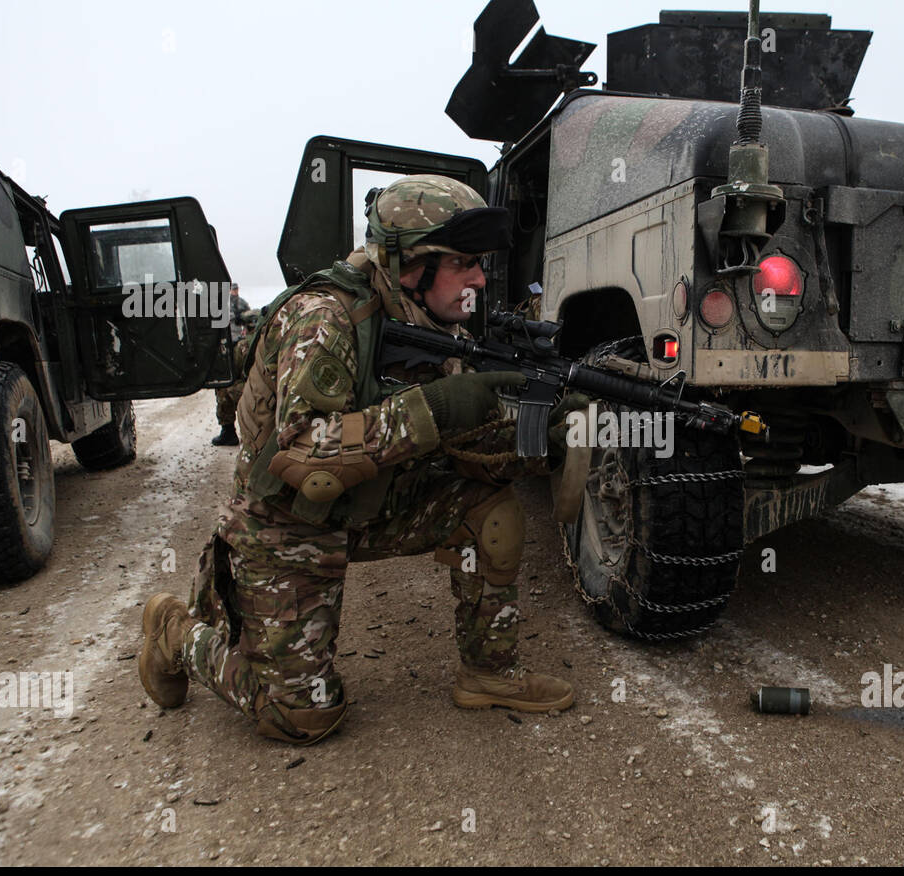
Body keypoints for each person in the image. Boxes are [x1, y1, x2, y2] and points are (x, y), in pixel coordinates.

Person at [140, 175, 578, 745]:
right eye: (464, 262)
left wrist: (539, 436)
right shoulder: (323, 319)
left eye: (481, 264)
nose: (479, 278)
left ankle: (489, 672)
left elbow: (467, 460)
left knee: (490, 513)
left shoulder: (434, 325)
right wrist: (437, 407)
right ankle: (177, 632)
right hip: (288, 523)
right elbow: (305, 456)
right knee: (302, 717)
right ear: (409, 266)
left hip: (375, 503)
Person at [211, 291, 258, 447]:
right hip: (270, 391)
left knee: (224, 386)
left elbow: (236, 371)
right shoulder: (270, 340)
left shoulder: (243, 346)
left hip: (255, 392)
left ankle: (229, 431)